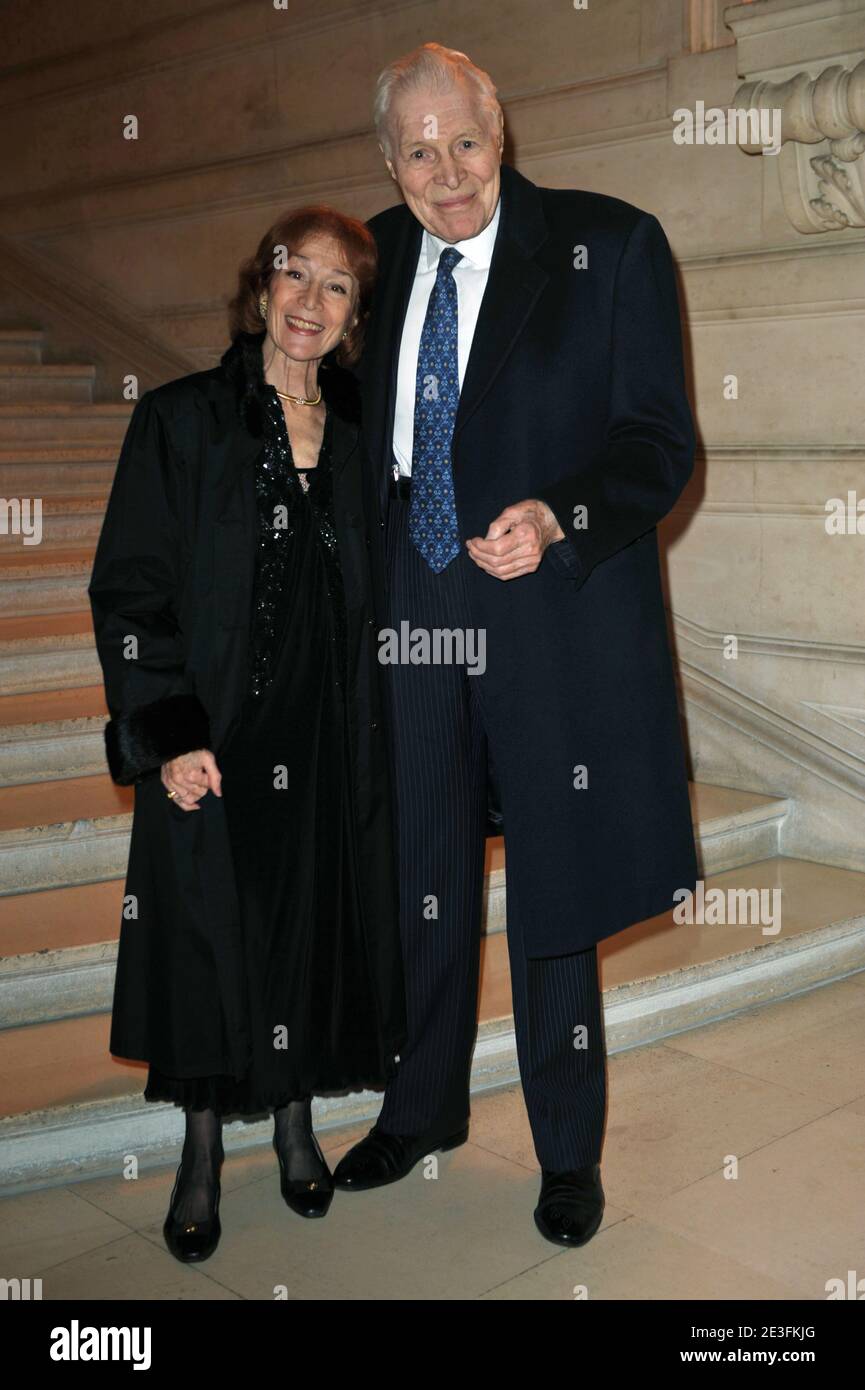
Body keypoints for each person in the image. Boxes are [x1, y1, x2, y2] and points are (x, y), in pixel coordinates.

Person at [333, 44, 698, 1247]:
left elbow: (657, 442)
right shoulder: (371, 267)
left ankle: (566, 1152)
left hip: (547, 621)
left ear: (505, 134)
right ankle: (422, 1106)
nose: (446, 174)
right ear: (388, 162)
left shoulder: (610, 245)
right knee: (421, 871)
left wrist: (559, 516)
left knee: (553, 884)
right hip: (413, 607)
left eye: (464, 143)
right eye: (418, 152)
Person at [88, 205, 406, 1263]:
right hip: (216, 731)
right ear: (260, 286)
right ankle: (197, 1149)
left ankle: (297, 1121)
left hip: (326, 734)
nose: (311, 303)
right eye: (295, 276)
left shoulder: (365, 438)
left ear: (356, 315)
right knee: (211, 937)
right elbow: (132, 587)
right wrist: (167, 730)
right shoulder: (180, 422)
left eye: (336, 288)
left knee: (309, 923)